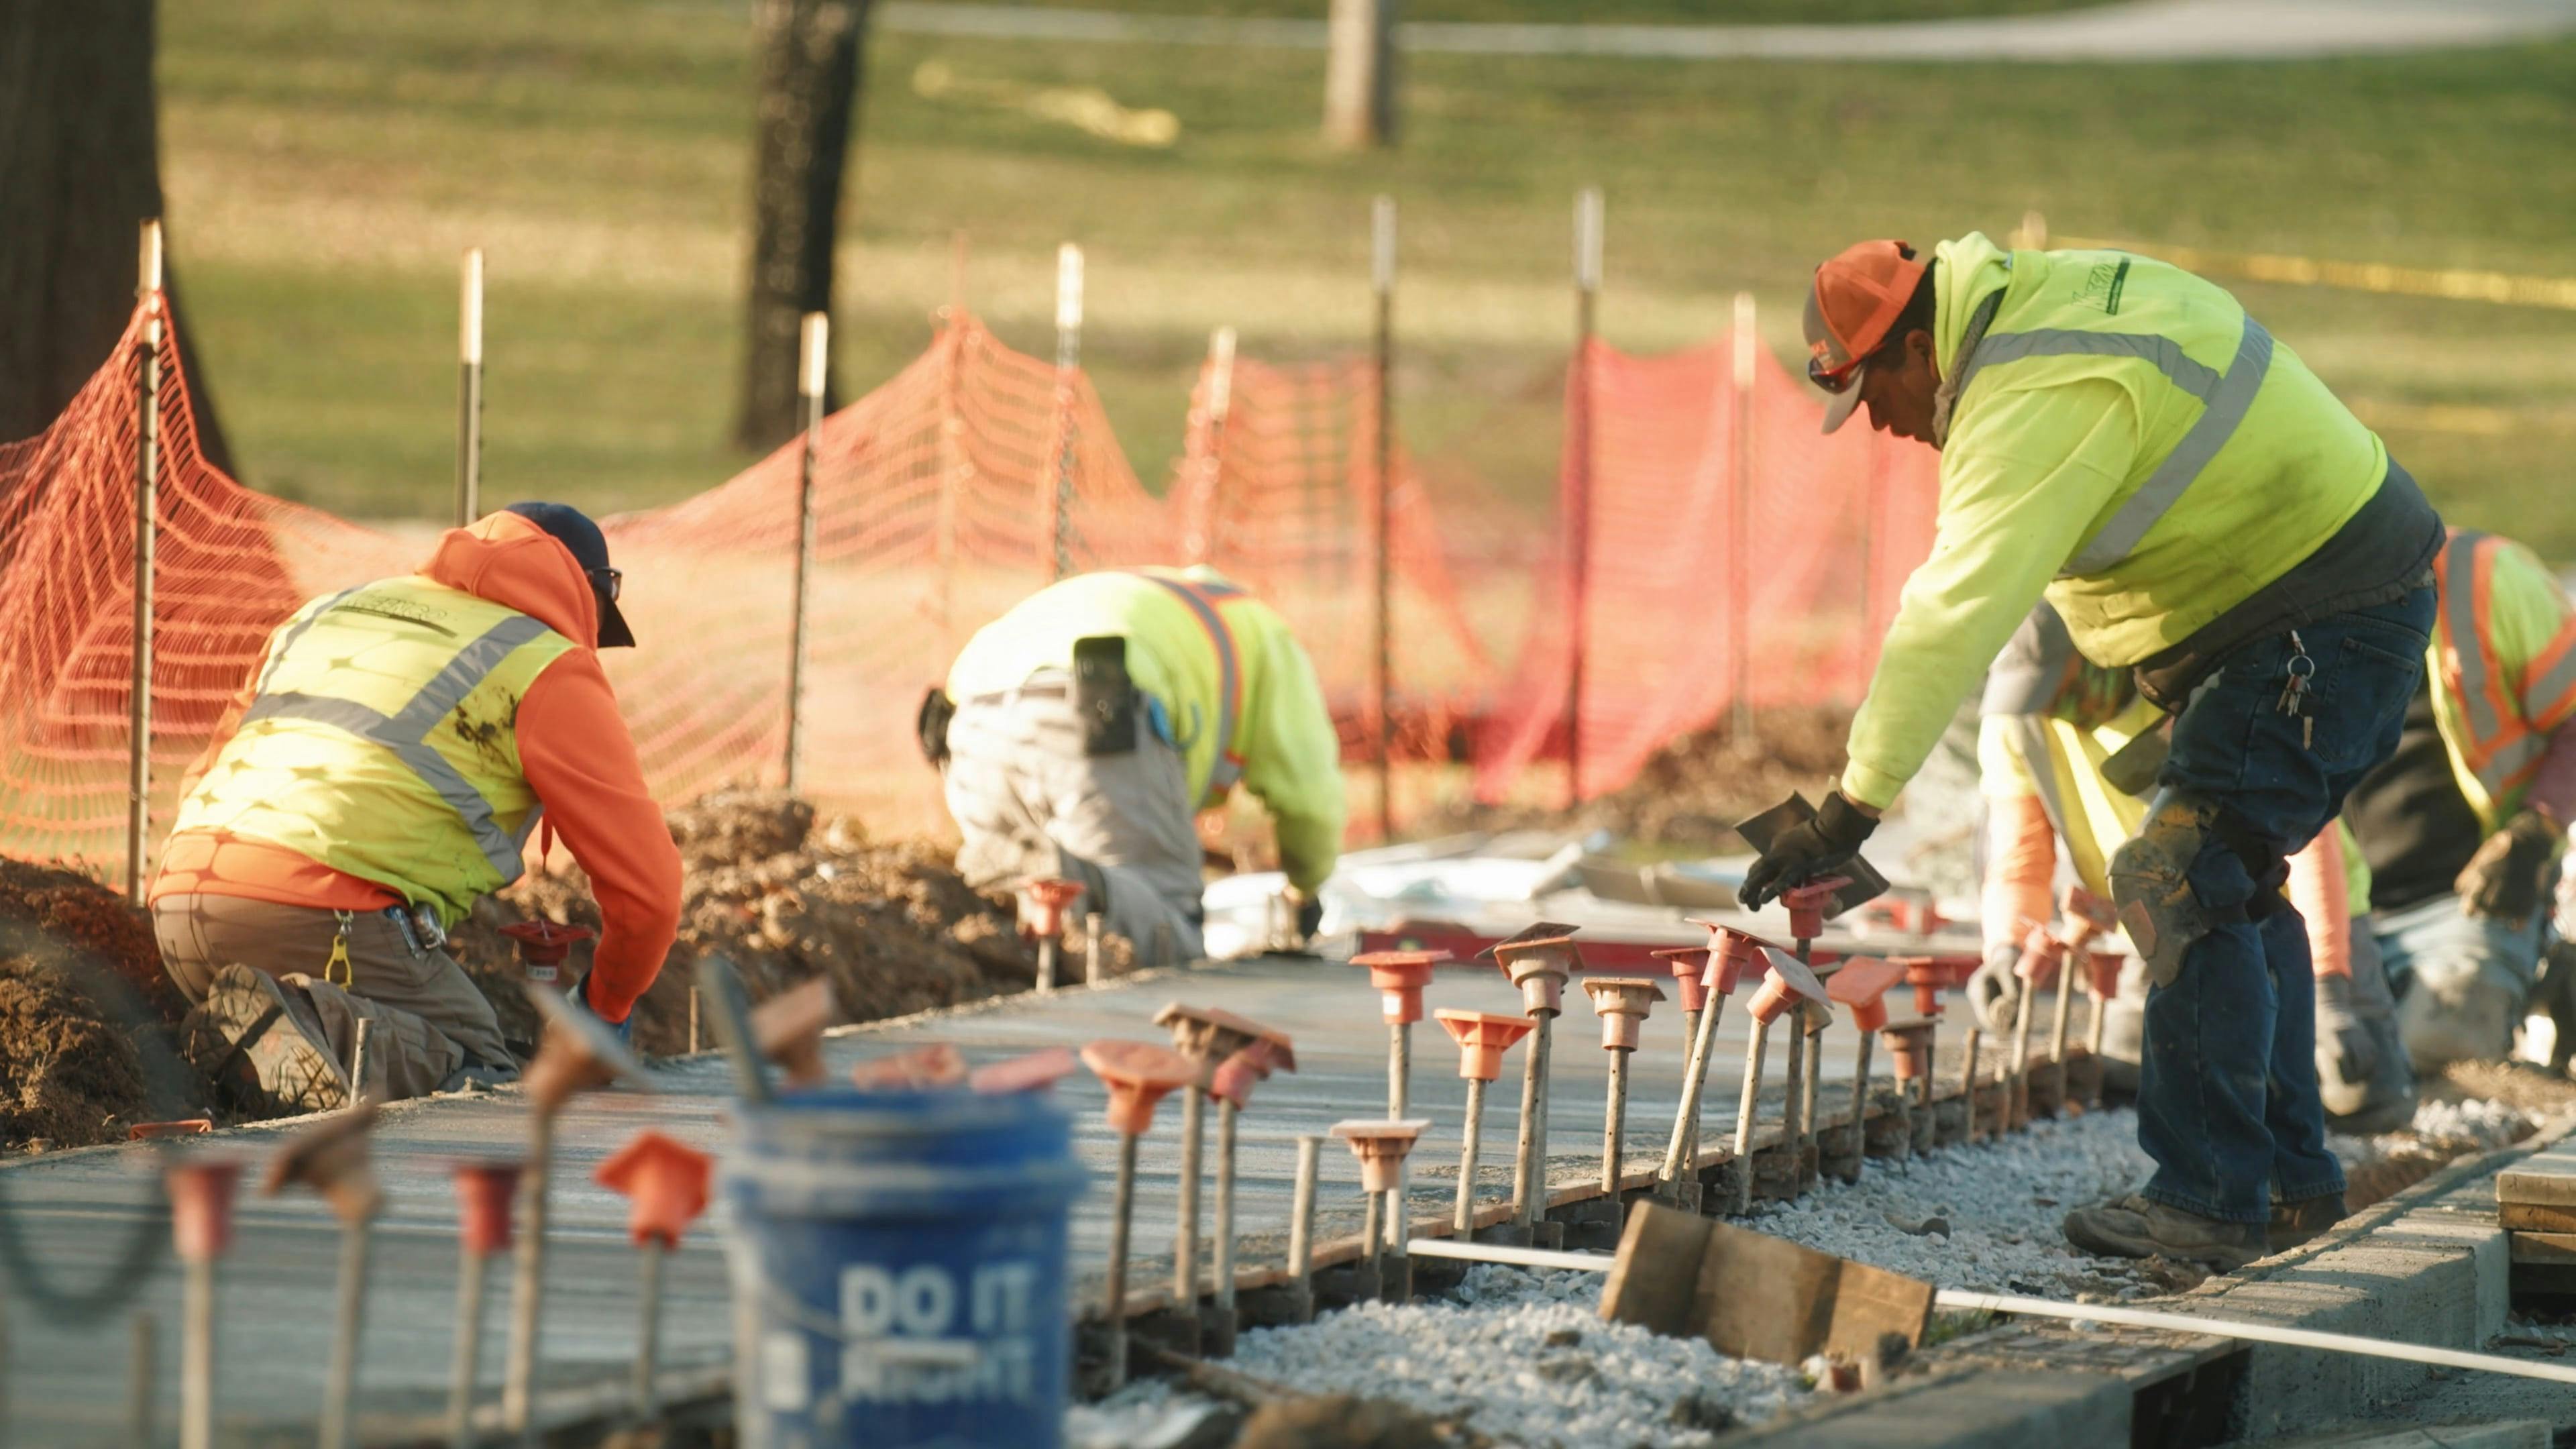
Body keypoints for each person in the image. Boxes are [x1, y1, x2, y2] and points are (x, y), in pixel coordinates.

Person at [1743, 233, 2444, 1270]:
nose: (1883, 429)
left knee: (2179, 876)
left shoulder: (2033, 391)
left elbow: (1949, 616)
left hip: (2320, 615)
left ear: (1918, 346)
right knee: (2233, 883)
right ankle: (2290, 1187)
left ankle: (2209, 1198)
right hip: (2319, 599)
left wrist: (1851, 809)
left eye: (1872, 395)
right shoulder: (2055, 301)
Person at [154, 505, 682, 1107]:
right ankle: (303, 1024)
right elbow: (651, 894)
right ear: (587, 594)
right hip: (319, 915)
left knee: (427, 1022)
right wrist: (603, 1010)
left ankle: (252, 1042)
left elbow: (206, 770)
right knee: (487, 1072)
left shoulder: (330, 611)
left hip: (182, 904)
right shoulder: (545, 662)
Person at [1972, 604, 2414, 1137]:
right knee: (2144, 1073)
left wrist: (2329, 992)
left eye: (2058, 687)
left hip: (2300, 908)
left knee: (2358, 1090)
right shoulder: (2016, 724)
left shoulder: (2193, 696)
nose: (2052, 708)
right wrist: (2005, 949)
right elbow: (2020, 856)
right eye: (2036, 693)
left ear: (2105, 663)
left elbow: (2308, 850)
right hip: (2161, 917)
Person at [925, 566, 1344, 966]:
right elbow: (1310, 797)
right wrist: (1304, 890)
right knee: (1166, 928)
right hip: (1096, 709)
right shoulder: (1265, 635)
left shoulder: (1162, 599)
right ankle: (1074, 880)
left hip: (971, 719)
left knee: (1016, 926)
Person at [2343, 527, 2576, 1071]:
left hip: (2471, 903)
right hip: (2339, 912)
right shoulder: (2286, 599)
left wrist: (2533, 831)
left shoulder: (2488, 580)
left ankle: (2543, 965)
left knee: (2440, 1047)